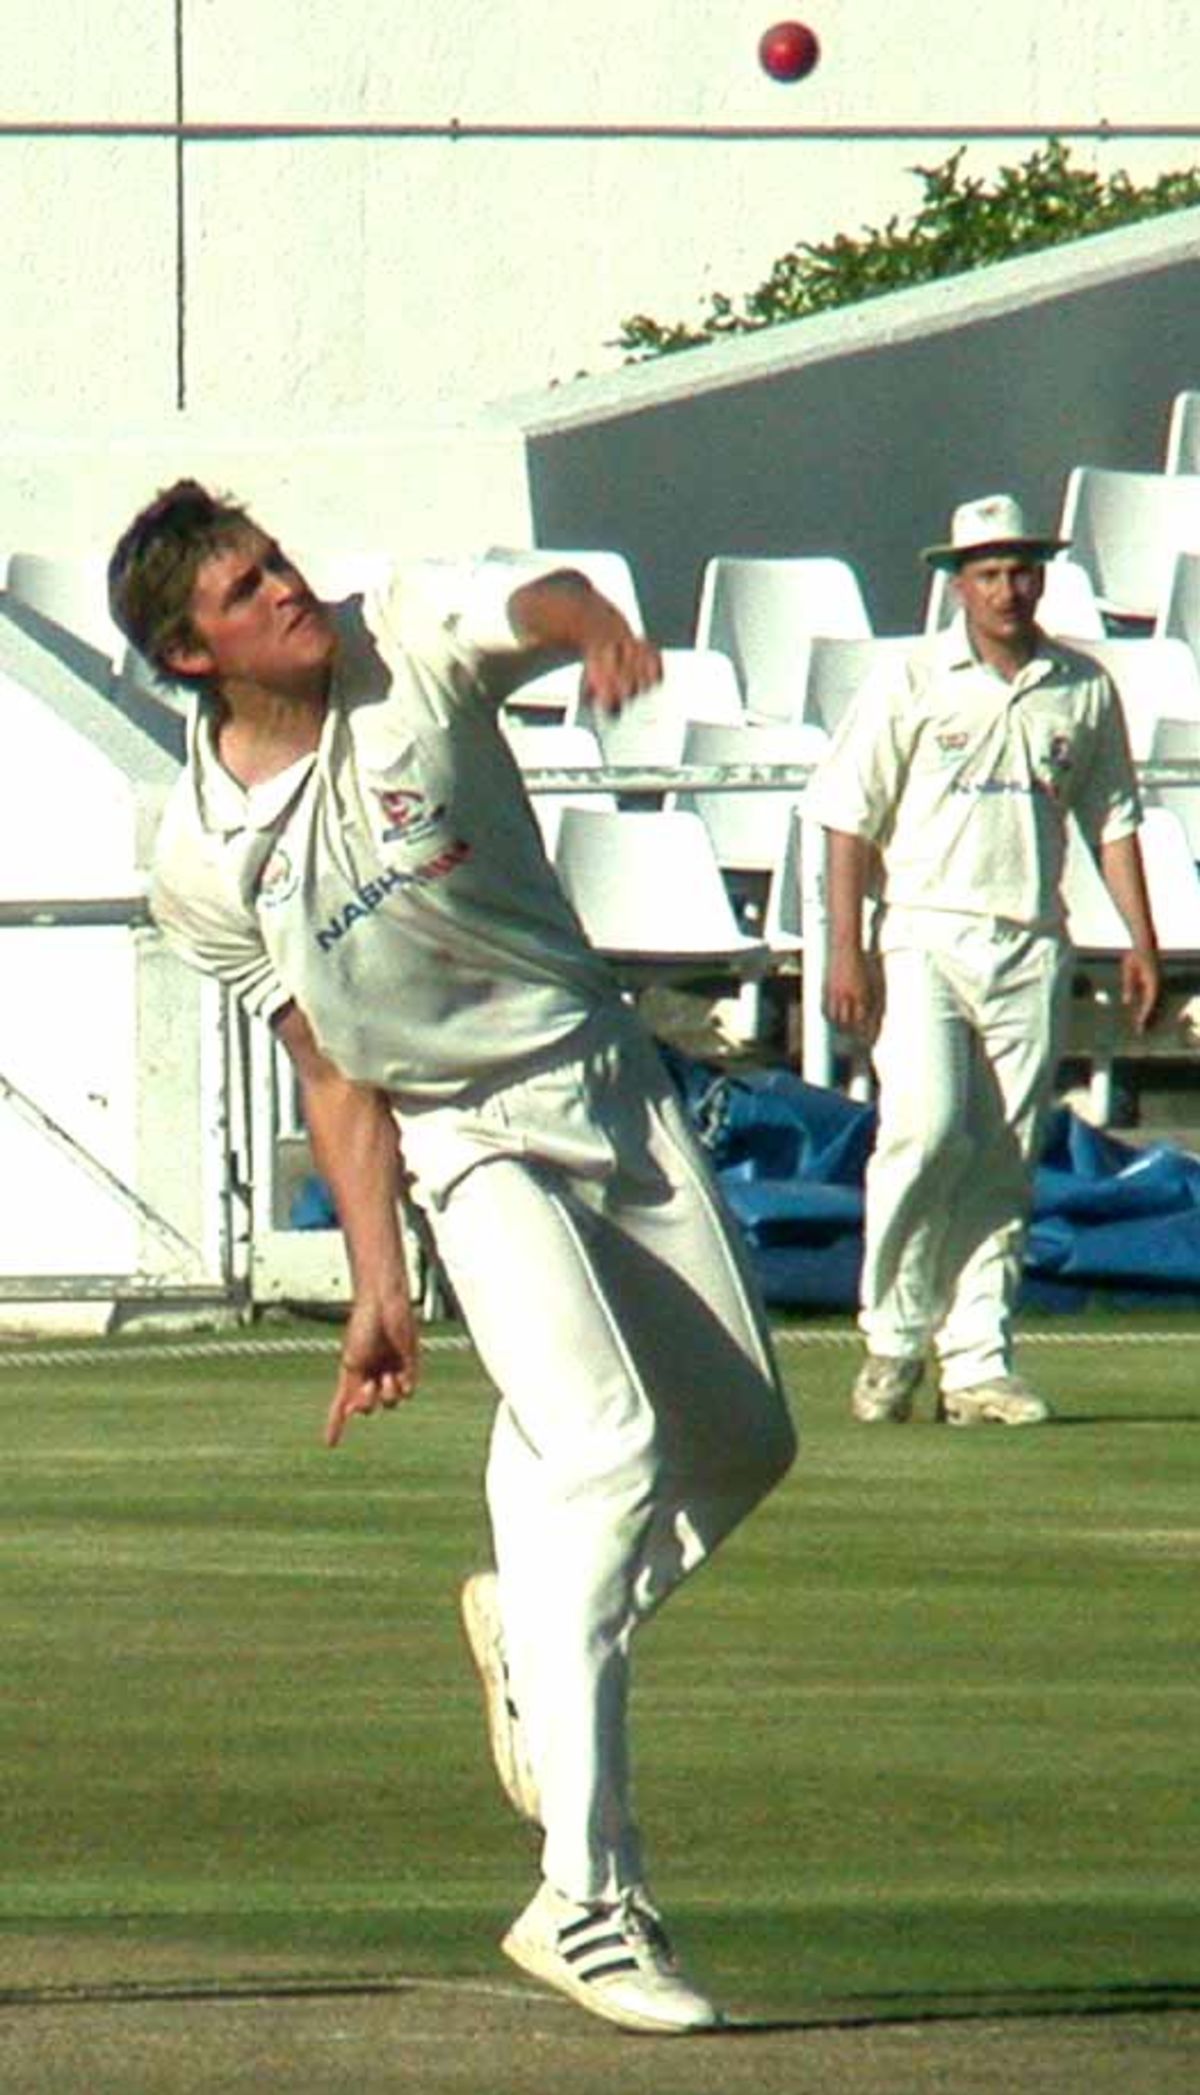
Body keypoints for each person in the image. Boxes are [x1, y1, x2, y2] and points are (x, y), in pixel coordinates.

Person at [107, 480, 796, 2035]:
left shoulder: (400, 632)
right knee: (608, 1446)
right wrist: (376, 1280)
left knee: (746, 1441)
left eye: (276, 559)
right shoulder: (203, 861)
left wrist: (599, 627)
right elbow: (333, 1066)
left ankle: (524, 1616)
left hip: (607, 1080)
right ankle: (588, 1895)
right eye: (244, 587)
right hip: (463, 1138)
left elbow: (536, 596)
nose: (287, 588)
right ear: (189, 648)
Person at [804, 493, 1160, 1428]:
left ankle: (977, 1360)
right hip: (922, 929)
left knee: (1004, 1157)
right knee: (924, 1128)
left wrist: (1140, 938)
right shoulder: (911, 679)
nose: (1009, 588)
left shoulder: (1080, 687)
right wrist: (846, 948)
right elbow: (845, 817)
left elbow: (1113, 819)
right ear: (957, 583)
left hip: (1031, 938)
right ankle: (890, 1339)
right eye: (990, 572)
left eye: (1022, 570)